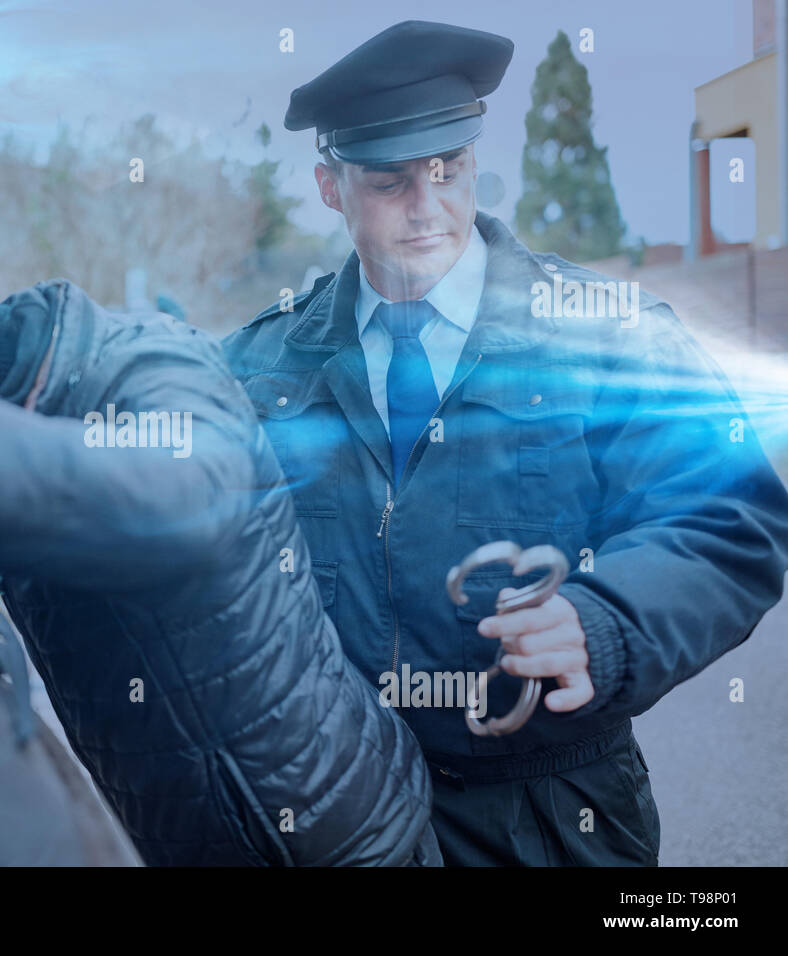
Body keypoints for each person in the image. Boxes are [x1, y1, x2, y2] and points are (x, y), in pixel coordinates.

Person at [221, 19, 788, 865]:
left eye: (447, 171)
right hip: (340, 815)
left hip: (558, 817)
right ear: (331, 187)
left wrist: (607, 621)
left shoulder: (606, 337)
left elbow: (731, 520)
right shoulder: (259, 365)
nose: (426, 209)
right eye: (388, 181)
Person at [0, 223, 439, 866]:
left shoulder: (148, 390)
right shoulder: (36, 383)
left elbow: (175, 498)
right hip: (208, 833)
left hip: (334, 845)